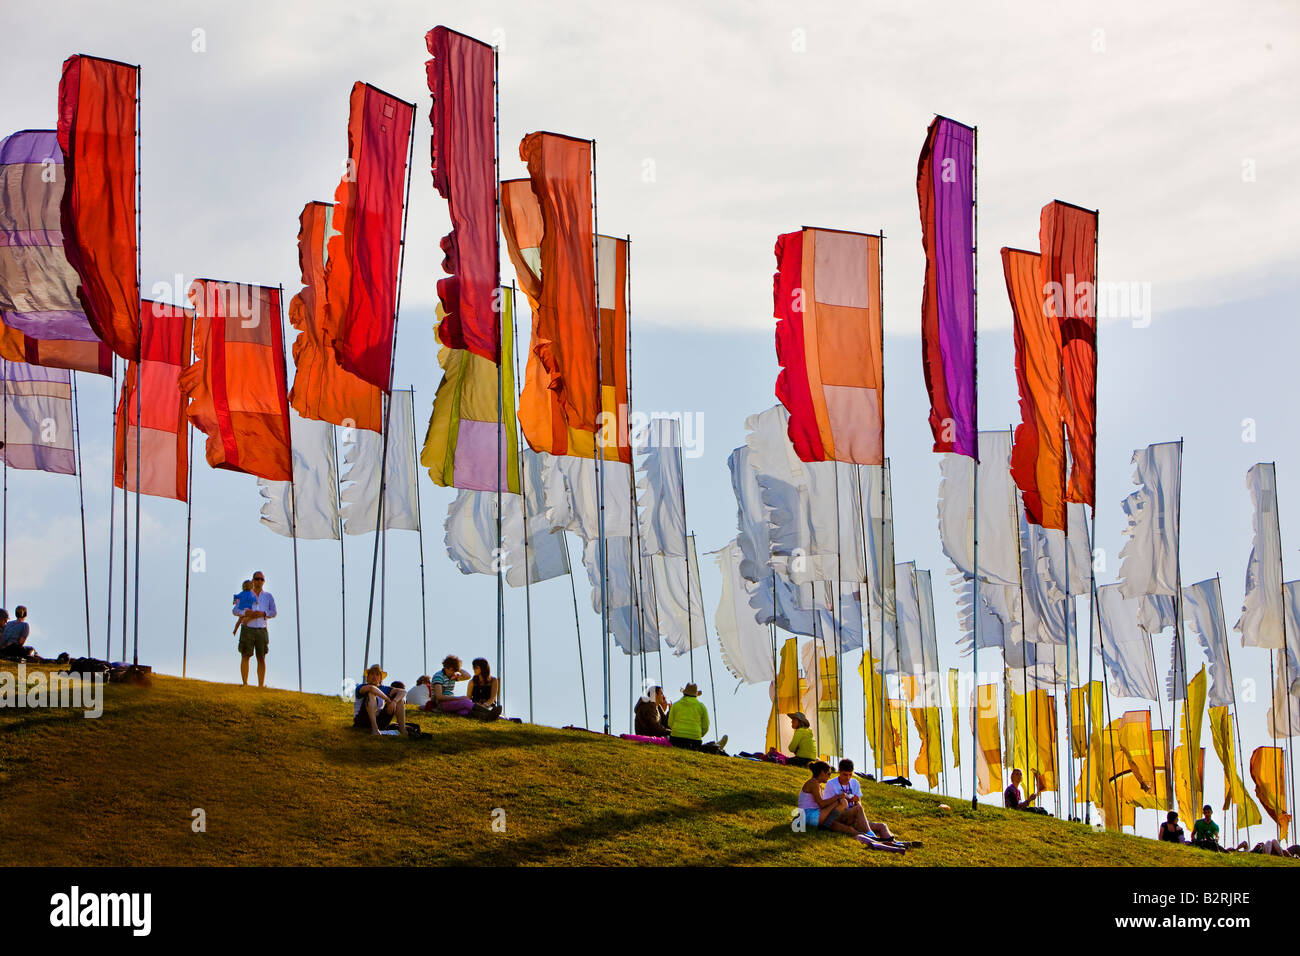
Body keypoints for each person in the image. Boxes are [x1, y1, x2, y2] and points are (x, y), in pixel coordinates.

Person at [796, 761, 905, 853]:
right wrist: (839, 798)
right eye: (828, 773)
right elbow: (822, 804)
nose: (829, 776)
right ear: (822, 772)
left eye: (850, 775)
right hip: (810, 815)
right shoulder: (815, 783)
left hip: (821, 815)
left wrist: (851, 800)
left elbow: (824, 804)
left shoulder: (818, 784)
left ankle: (892, 843)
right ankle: (875, 838)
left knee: (873, 825)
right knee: (845, 809)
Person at [823, 759, 916, 847]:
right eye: (845, 775)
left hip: (854, 818)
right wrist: (841, 799)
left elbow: (859, 803)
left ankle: (895, 843)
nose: (847, 778)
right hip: (839, 816)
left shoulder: (854, 783)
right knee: (858, 809)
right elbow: (827, 805)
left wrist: (856, 801)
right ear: (839, 771)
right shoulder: (831, 784)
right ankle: (871, 835)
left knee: (882, 826)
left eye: (850, 775)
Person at [234, 571, 276, 687]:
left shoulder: (268, 596)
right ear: (253, 580)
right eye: (257, 579)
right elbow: (235, 610)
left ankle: (261, 685)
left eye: (261, 579)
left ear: (264, 581)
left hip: (261, 629)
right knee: (245, 655)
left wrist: (262, 613)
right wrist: (247, 613)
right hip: (248, 629)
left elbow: (274, 612)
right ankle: (245, 683)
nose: (259, 581)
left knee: (261, 657)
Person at [352, 665, 409, 736]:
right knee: (371, 694)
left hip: (380, 719)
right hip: (362, 720)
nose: (374, 676)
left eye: (377, 674)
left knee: (399, 700)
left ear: (380, 679)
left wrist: (394, 701)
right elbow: (371, 688)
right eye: (372, 674)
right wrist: (387, 699)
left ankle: (402, 730)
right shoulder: (361, 687)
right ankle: (375, 729)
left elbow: (403, 691)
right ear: (367, 678)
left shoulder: (384, 688)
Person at [666, 683, 710, 750]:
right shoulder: (701, 707)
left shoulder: (675, 705)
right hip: (694, 740)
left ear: (684, 693)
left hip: (676, 739)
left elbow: (670, 723)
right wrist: (698, 735)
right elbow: (706, 726)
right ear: (696, 695)